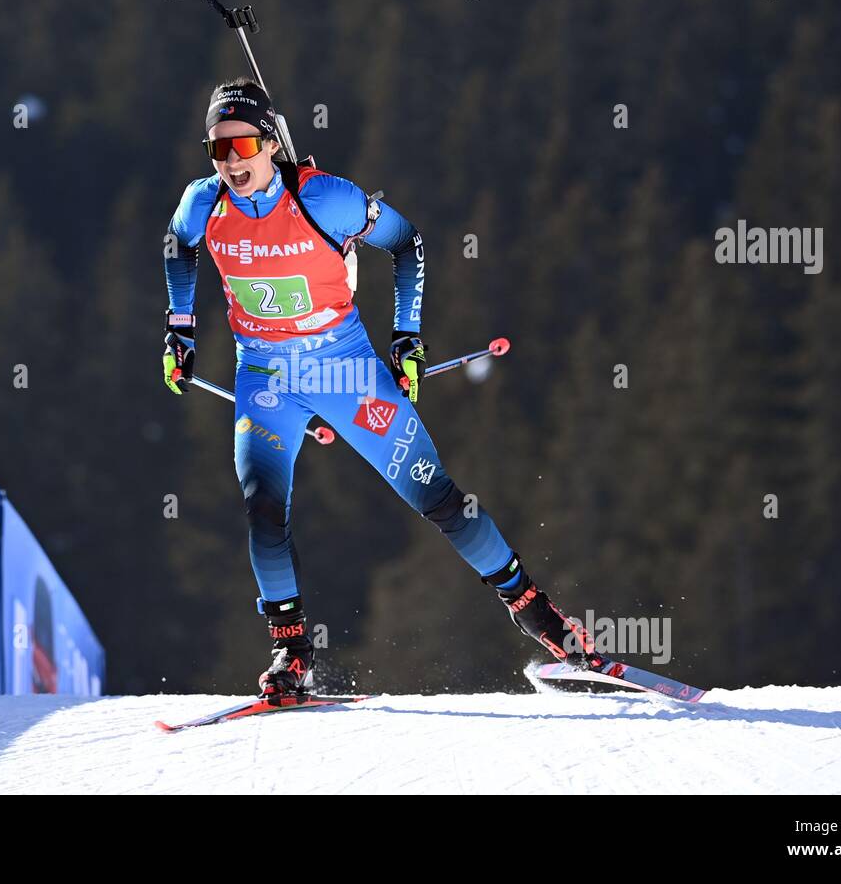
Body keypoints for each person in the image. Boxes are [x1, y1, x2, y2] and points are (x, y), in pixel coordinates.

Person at [162, 77, 601, 696]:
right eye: (217, 148)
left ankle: (538, 615)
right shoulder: (201, 205)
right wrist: (179, 328)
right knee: (263, 507)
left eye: (243, 144)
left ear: (270, 144)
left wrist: (406, 339)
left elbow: (407, 243)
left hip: (347, 374)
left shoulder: (326, 199)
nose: (231, 161)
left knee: (438, 499)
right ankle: (292, 656)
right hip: (265, 380)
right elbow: (178, 246)